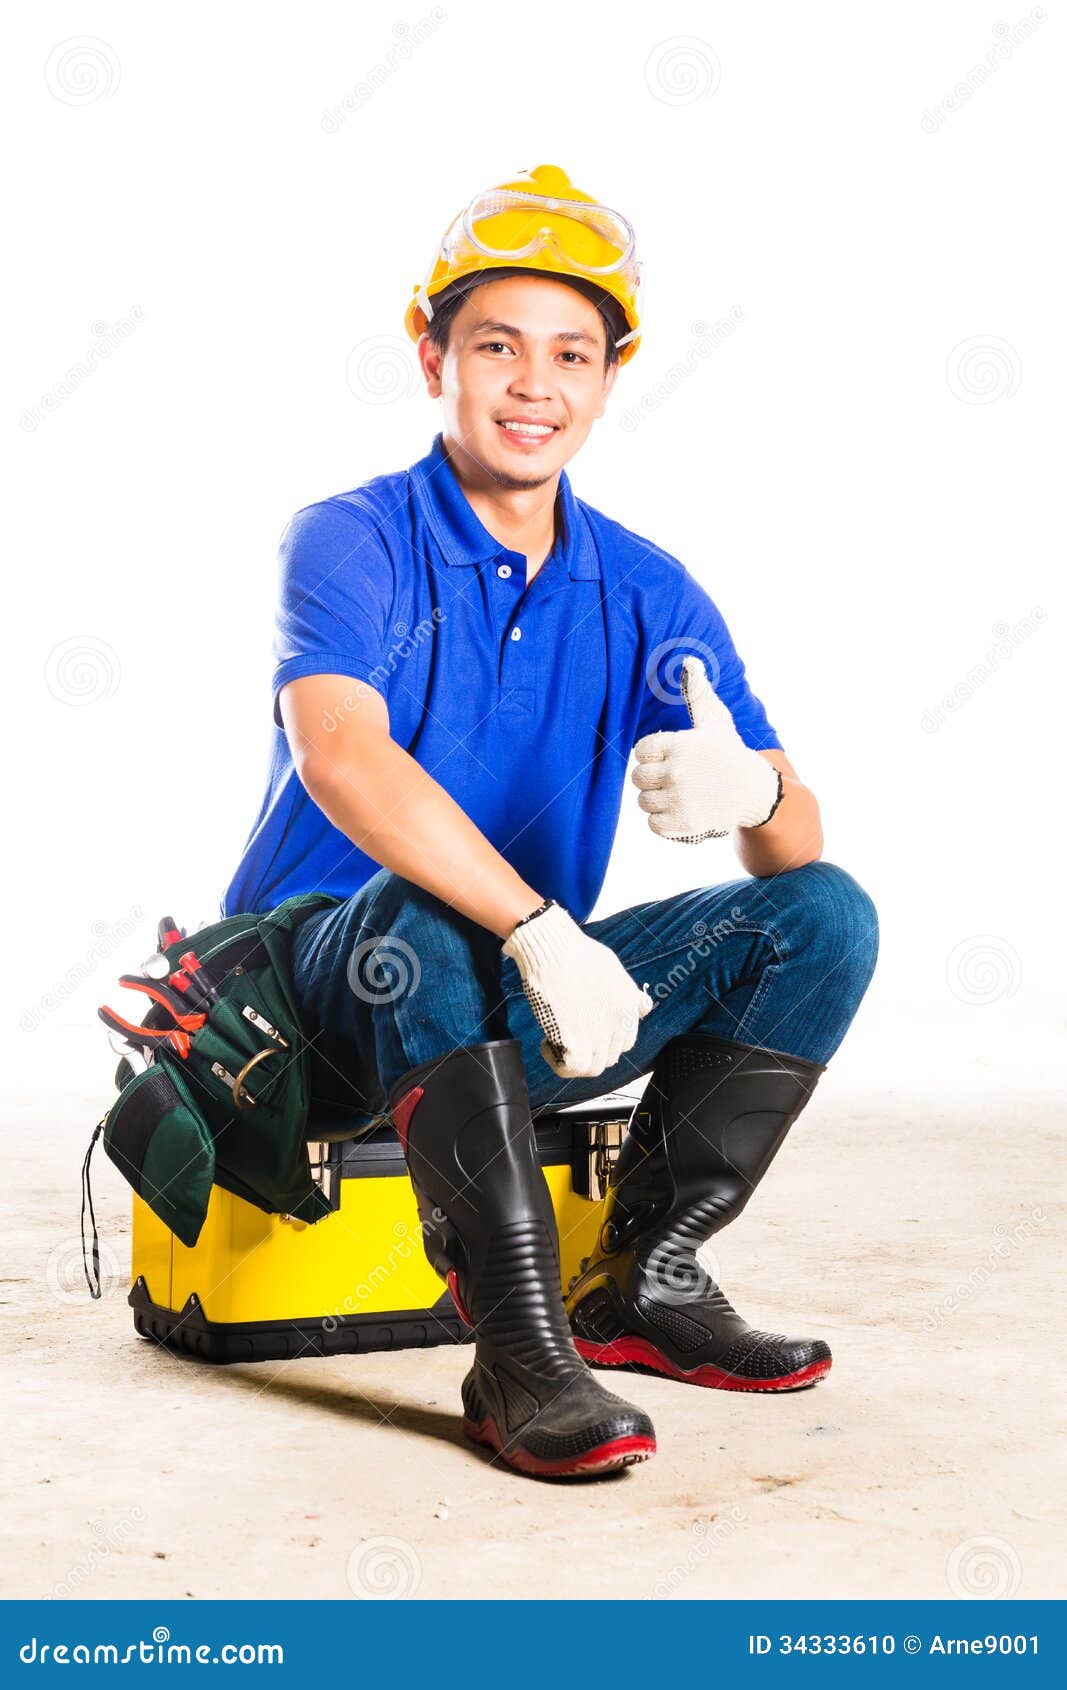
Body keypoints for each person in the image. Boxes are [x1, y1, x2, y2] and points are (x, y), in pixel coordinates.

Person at [219, 164, 880, 1480]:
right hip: (311, 1009)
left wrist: (754, 794)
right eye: (498, 346)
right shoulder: (349, 538)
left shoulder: (646, 586)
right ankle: (519, 1348)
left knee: (827, 914)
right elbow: (344, 756)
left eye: (573, 354)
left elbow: (792, 846)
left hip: (505, 1005)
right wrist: (534, 923)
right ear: (433, 359)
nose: (536, 385)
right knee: (418, 912)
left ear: (610, 378)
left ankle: (644, 1279)